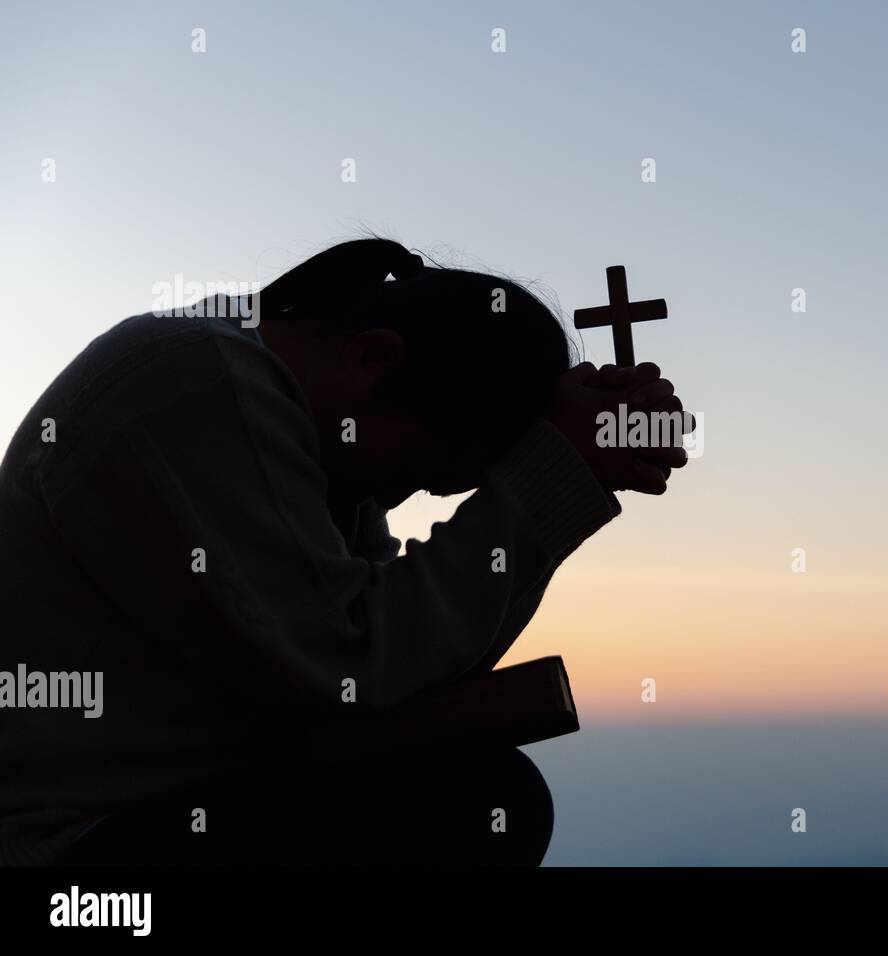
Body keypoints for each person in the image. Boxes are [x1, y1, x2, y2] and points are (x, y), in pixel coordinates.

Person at [0, 238, 690, 865]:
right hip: (65, 850)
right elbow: (349, 665)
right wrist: (557, 472)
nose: (402, 494)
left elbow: (405, 677)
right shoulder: (195, 382)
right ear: (375, 356)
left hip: (156, 815)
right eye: (422, 468)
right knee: (475, 803)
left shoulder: (312, 439)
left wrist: (563, 472)